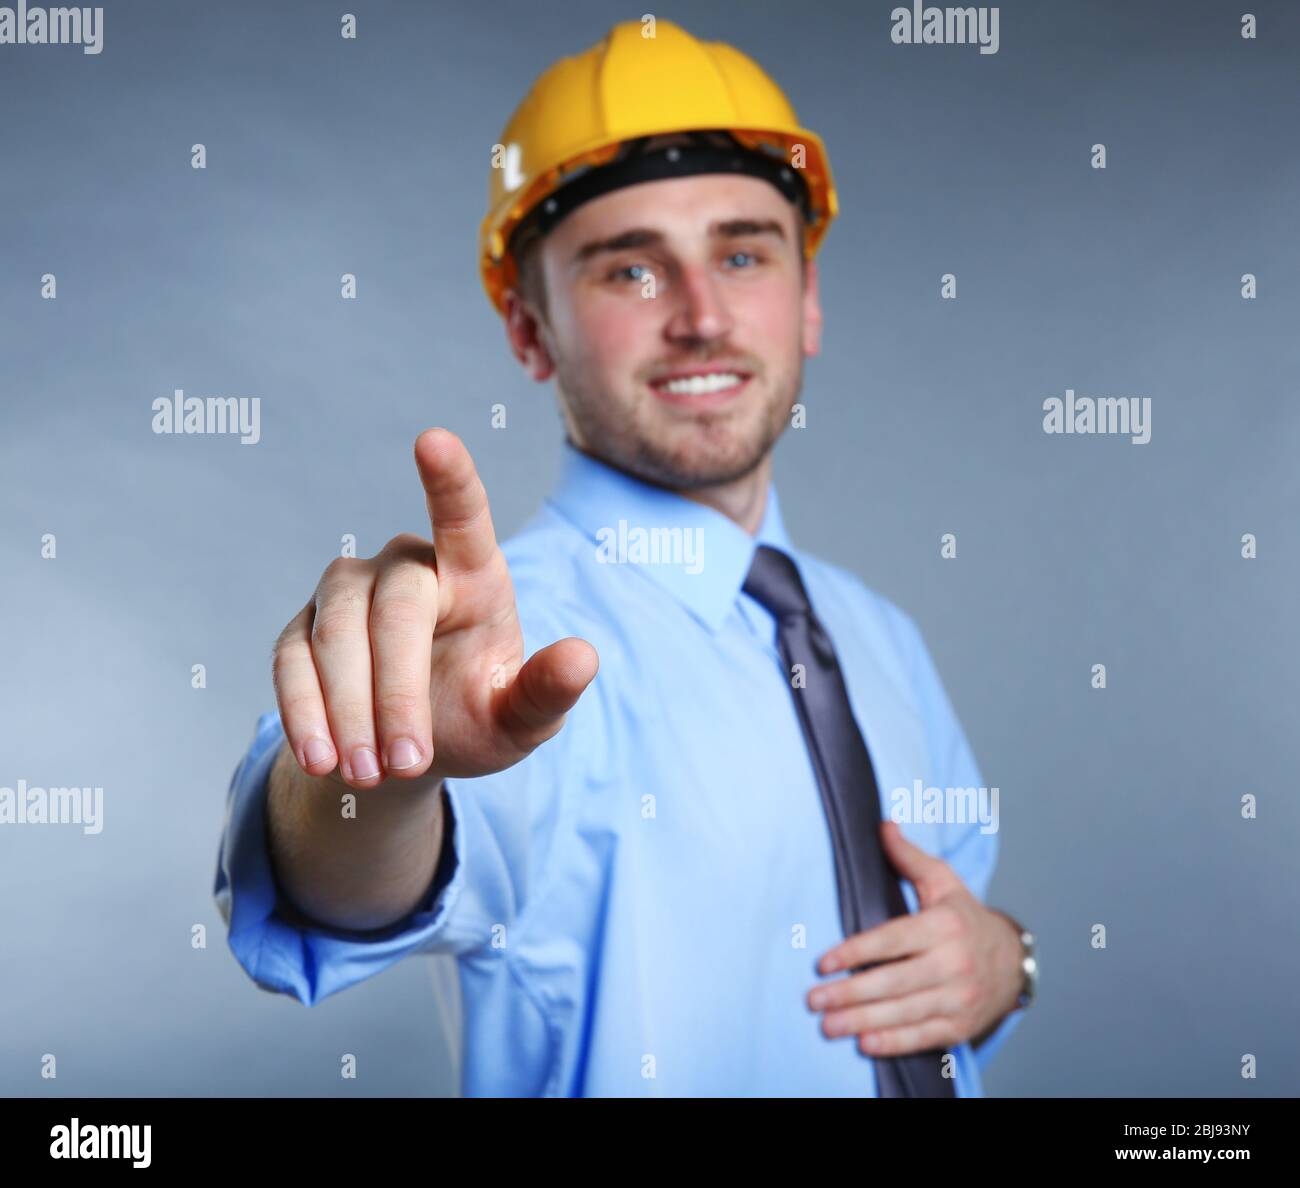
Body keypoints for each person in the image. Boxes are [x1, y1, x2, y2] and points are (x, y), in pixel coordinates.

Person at [214, 17, 1034, 1097]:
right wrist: (385, 768)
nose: (702, 317)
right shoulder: (504, 654)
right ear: (530, 329)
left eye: (742, 254)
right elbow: (338, 884)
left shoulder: (880, 638)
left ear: (808, 299)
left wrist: (1006, 963)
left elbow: (958, 934)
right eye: (631, 271)